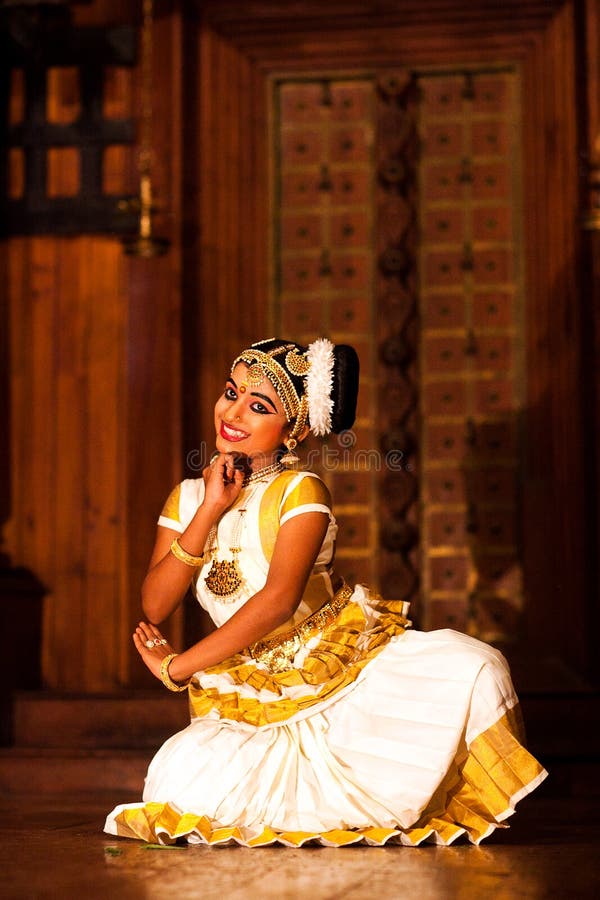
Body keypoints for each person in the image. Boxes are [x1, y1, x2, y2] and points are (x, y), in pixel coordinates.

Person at [105, 337, 547, 847]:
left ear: (291, 431)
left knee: (477, 667)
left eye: (259, 406)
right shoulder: (187, 498)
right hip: (249, 690)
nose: (233, 413)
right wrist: (208, 508)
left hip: (334, 671)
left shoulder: (301, 491)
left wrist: (177, 668)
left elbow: (278, 601)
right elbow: (155, 605)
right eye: (231, 392)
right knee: (178, 783)